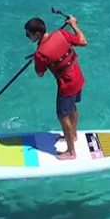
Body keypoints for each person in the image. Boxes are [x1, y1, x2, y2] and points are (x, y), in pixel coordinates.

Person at [25, 14, 88, 160]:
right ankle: (73, 135)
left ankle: (71, 152)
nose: (27, 36)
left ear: (37, 34)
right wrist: (73, 24)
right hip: (78, 77)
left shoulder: (40, 53)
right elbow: (83, 41)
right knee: (72, 108)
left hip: (67, 85)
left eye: (28, 34)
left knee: (62, 115)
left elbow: (40, 74)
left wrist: (37, 59)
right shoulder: (61, 34)